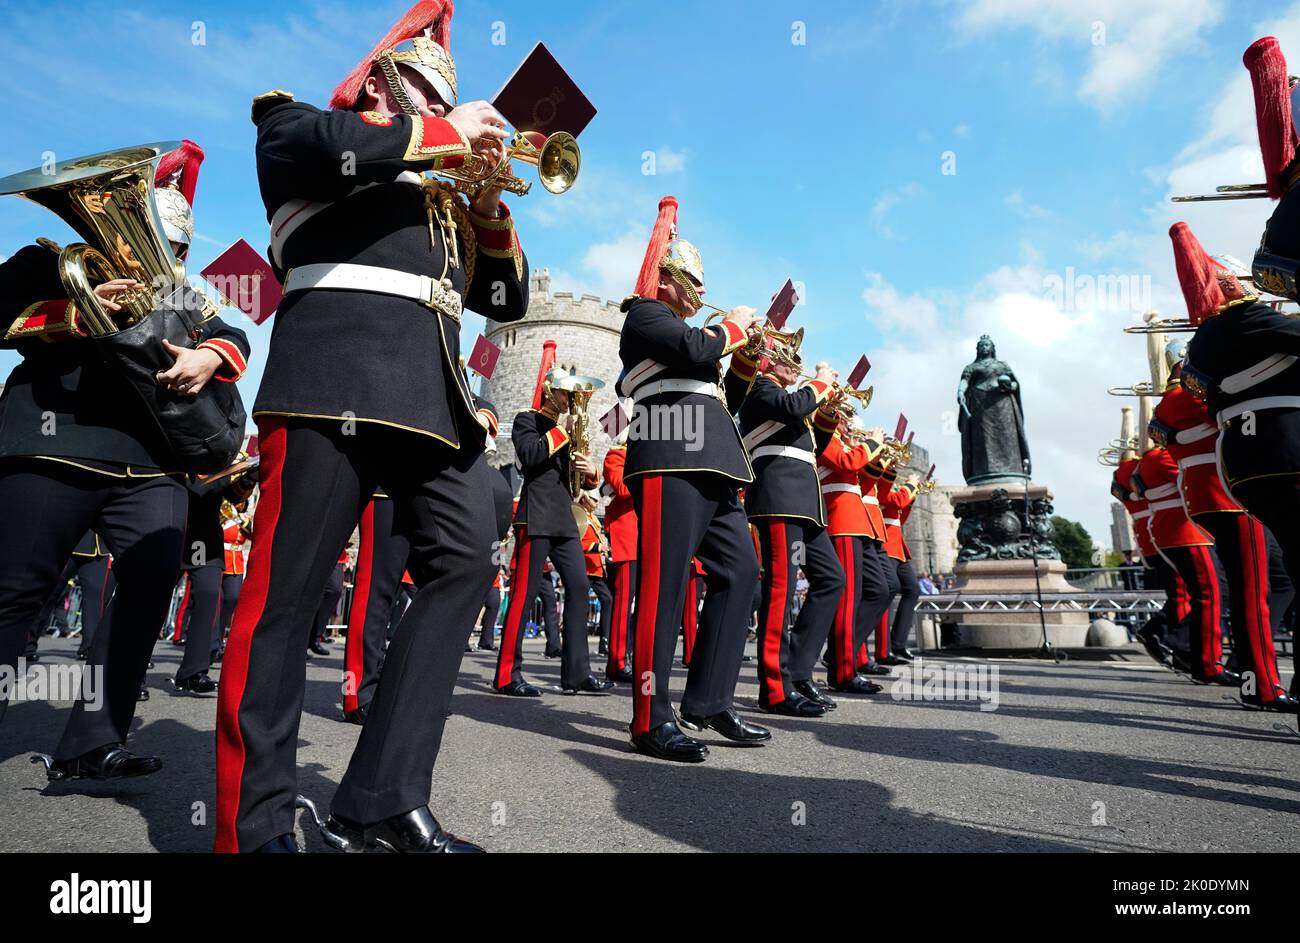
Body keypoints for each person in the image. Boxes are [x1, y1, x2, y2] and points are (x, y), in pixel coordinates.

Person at [215, 0, 529, 853]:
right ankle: (253, 827)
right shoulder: (303, 126)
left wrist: (492, 211)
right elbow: (315, 148)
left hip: (433, 398)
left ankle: (383, 795)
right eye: (422, 87)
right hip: (334, 374)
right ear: (384, 79)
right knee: (281, 600)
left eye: (445, 94)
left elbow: (503, 302)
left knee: (467, 557)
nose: (437, 103)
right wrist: (441, 135)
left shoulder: (439, 192)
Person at [0, 140, 250, 780]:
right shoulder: (49, 262)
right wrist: (82, 314)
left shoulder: (186, 296)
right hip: (57, 447)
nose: (167, 256)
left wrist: (211, 354)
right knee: (15, 594)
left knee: (149, 582)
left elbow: (235, 332)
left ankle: (93, 738)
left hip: (150, 461)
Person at [617, 196, 768, 762]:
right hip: (669, 456)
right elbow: (694, 345)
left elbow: (724, 398)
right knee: (664, 586)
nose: (699, 292)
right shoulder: (646, 315)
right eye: (690, 281)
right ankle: (649, 717)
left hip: (715, 462)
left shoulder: (696, 337)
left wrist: (748, 360)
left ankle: (708, 701)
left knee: (741, 574)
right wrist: (732, 329)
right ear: (667, 278)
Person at [1156, 226, 1294, 711]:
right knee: (1248, 587)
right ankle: (1256, 677)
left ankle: (1246, 671)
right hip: (1237, 481)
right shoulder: (1240, 329)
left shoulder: (1186, 378)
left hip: (1217, 485)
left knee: (1243, 586)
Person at [493, 347, 612, 697]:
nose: (572, 399)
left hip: (564, 518)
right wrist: (562, 431)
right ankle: (505, 675)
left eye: (574, 394)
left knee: (578, 588)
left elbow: (580, 482)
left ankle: (576, 673)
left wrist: (591, 473)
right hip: (536, 515)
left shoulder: (569, 430)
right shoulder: (527, 420)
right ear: (550, 391)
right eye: (566, 392)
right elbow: (530, 457)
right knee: (524, 594)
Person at [738, 341, 841, 717]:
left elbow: (818, 445)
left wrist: (828, 411)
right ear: (767, 361)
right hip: (779, 499)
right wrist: (820, 384)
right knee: (780, 590)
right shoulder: (759, 389)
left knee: (832, 580)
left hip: (804, 505)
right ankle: (774, 688)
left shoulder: (788, 400)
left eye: (798, 358)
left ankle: (797, 672)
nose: (795, 363)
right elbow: (794, 405)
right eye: (788, 358)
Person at [601, 431, 636, 682]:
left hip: (646, 538)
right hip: (628, 539)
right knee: (623, 604)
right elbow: (623, 488)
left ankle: (632, 654)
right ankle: (617, 660)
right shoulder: (616, 455)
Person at [879, 472, 922, 664]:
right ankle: (883, 649)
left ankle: (898, 643)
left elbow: (900, 517)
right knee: (887, 591)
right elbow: (894, 502)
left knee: (912, 590)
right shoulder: (882, 484)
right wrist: (909, 487)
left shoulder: (893, 490)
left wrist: (912, 494)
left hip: (897, 547)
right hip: (885, 544)